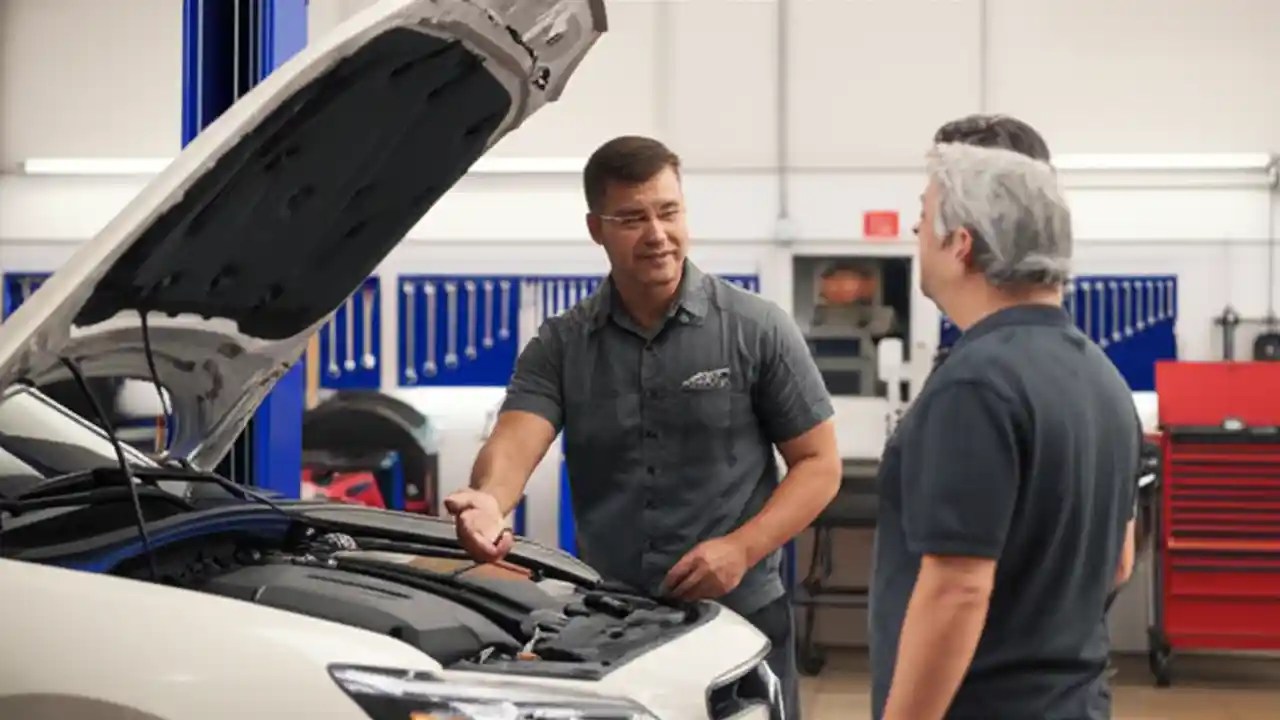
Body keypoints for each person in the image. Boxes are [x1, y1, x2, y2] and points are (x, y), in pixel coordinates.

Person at [445, 134, 842, 720]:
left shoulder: (756, 329)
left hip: (743, 616)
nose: (657, 234)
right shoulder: (563, 344)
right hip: (614, 624)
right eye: (632, 217)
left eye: (669, 211)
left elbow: (819, 464)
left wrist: (741, 548)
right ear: (595, 228)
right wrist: (489, 500)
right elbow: (515, 441)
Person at [868, 141, 1142, 720]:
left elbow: (956, 590)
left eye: (923, 221)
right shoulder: (1104, 378)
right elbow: (1118, 561)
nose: (916, 236)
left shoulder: (976, 383)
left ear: (960, 244)